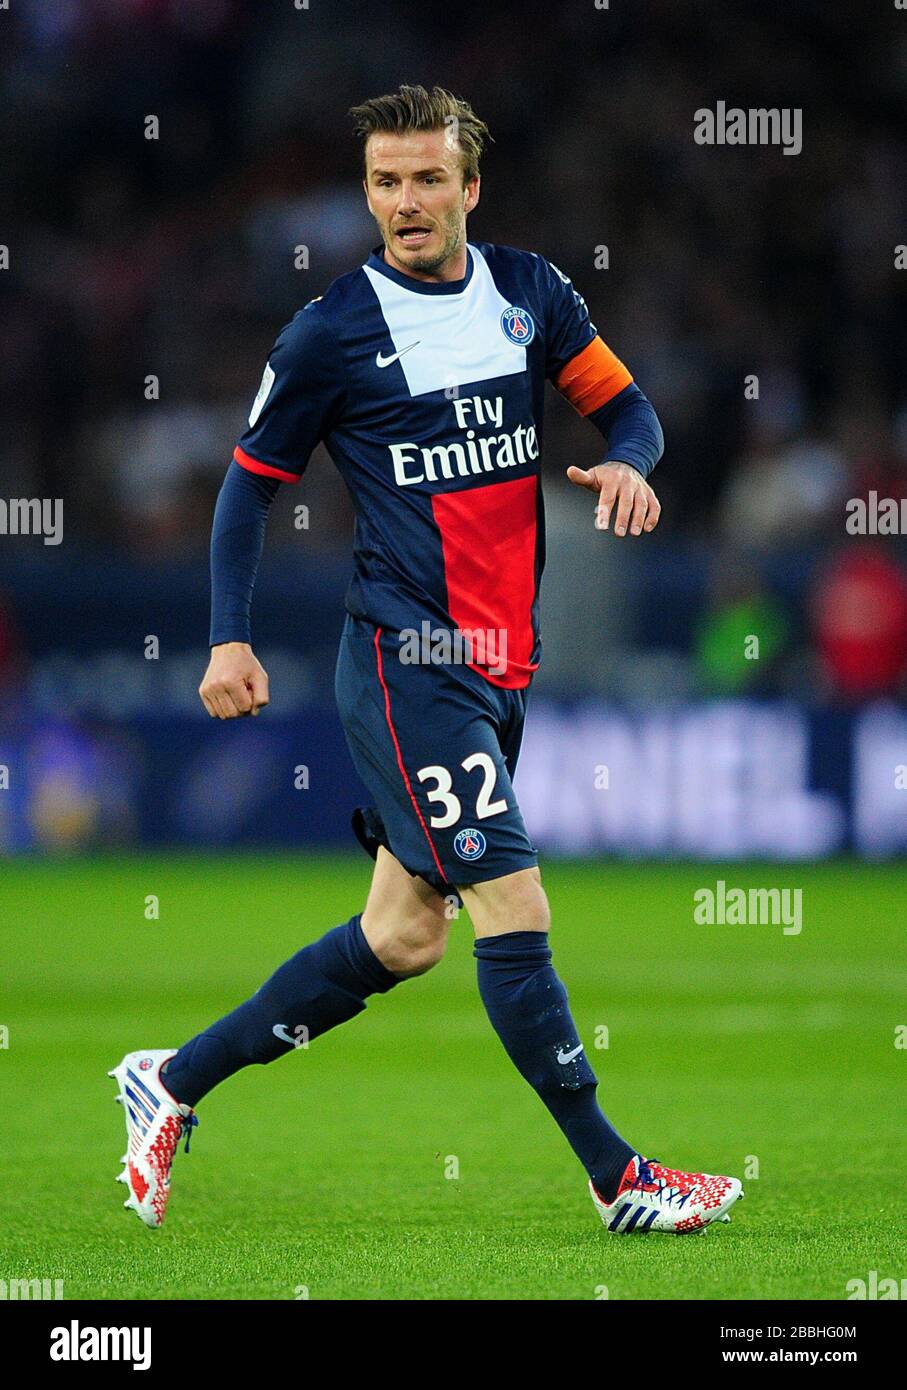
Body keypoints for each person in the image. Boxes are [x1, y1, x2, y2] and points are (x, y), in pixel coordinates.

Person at [110, 85, 742, 1236]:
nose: (405, 201)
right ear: (367, 193)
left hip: (501, 664)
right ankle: (617, 1176)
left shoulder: (530, 294)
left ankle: (170, 1080)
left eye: (425, 179)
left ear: (468, 187)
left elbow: (630, 408)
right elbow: (246, 492)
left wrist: (635, 464)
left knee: (402, 936)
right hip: (407, 660)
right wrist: (227, 636)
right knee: (513, 896)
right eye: (384, 182)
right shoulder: (330, 331)